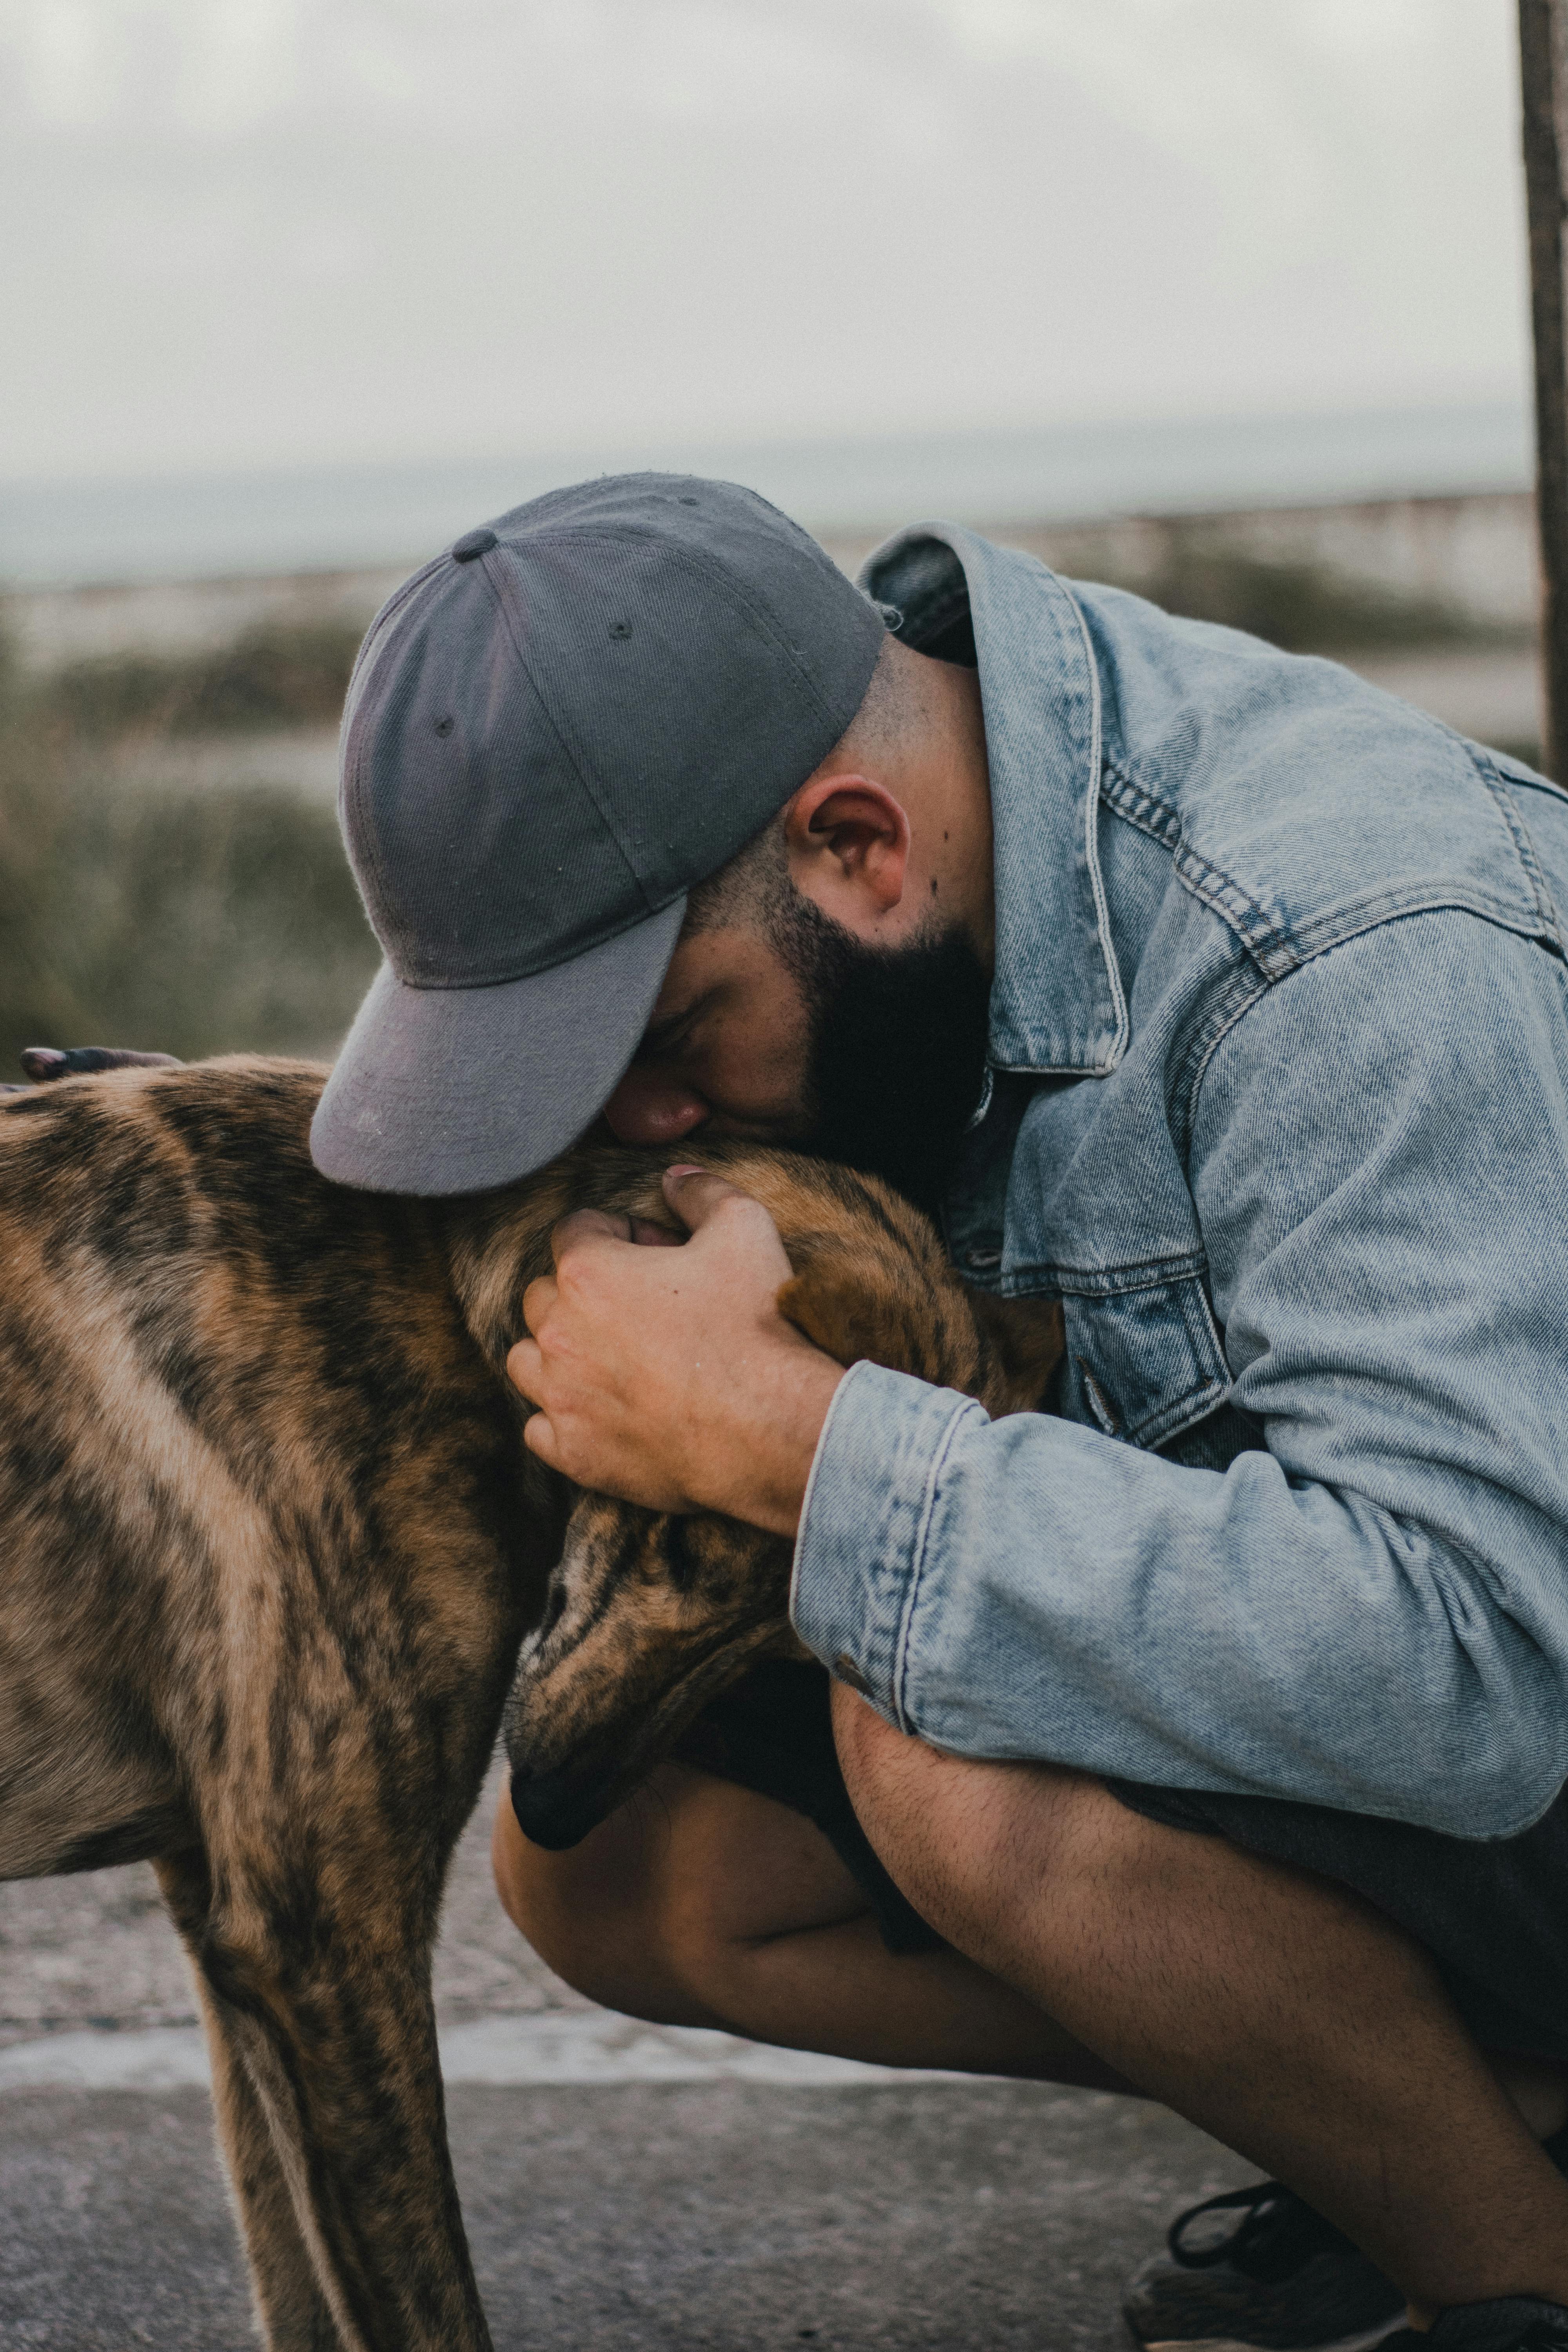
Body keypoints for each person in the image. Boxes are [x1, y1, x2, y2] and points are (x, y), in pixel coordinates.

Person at [37, 476, 1568, 2351]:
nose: (642, 1131)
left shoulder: (1347, 953)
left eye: (665, 1043)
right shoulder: (948, 839)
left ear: (856, 846)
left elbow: (1472, 1664)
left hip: (1505, 1693)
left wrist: (802, 1448)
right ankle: (1439, 2117)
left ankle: (1516, 2274)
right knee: (627, 1871)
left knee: (955, 1743)